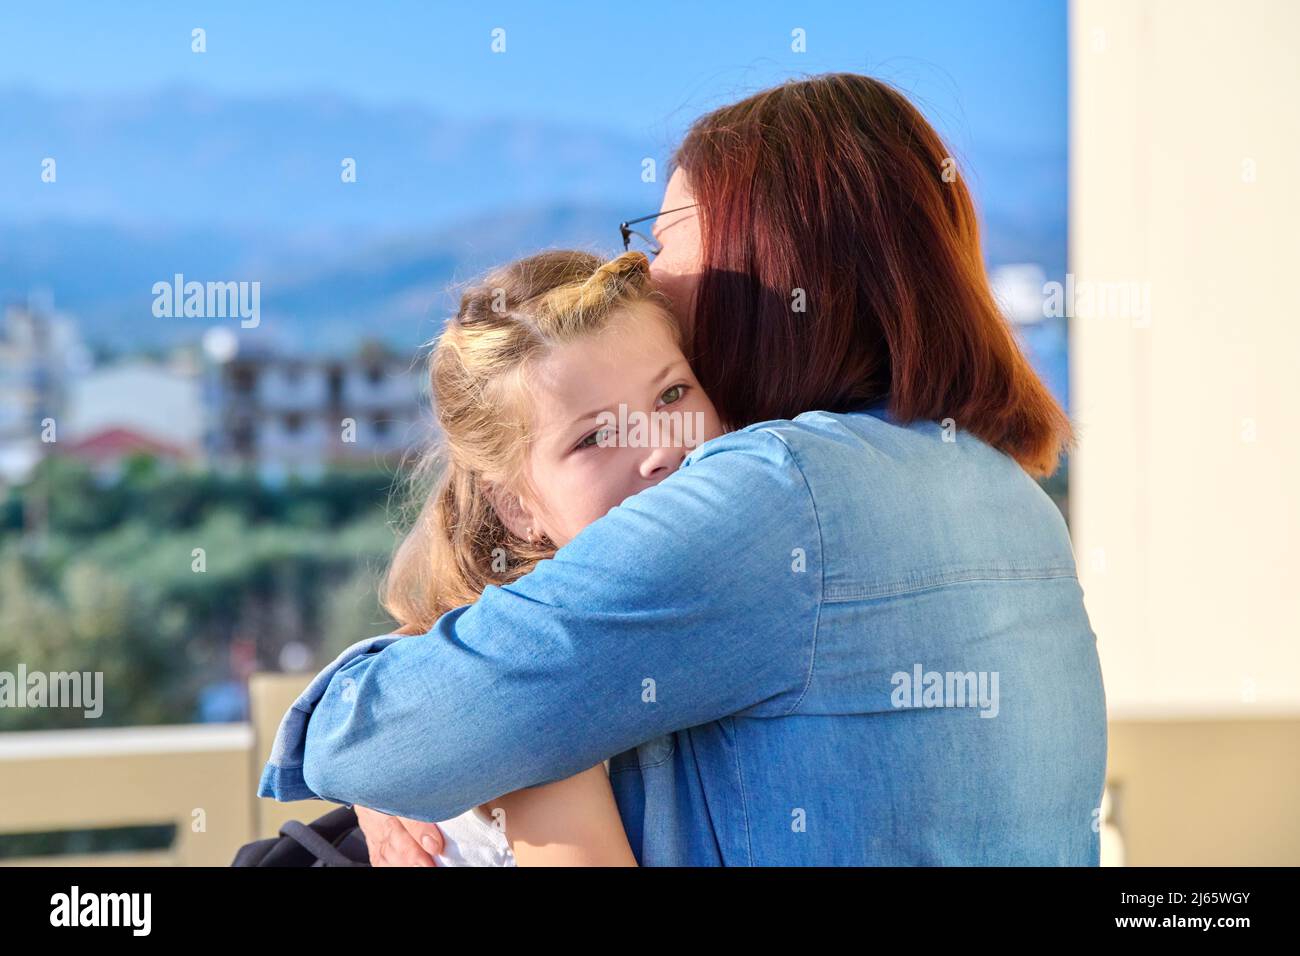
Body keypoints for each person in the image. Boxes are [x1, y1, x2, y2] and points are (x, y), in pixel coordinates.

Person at [260, 72, 1107, 866]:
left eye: (667, 240)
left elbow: (378, 736)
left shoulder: (775, 493)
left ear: (771, 268)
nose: (651, 276)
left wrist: (418, 720)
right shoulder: (1011, 497)